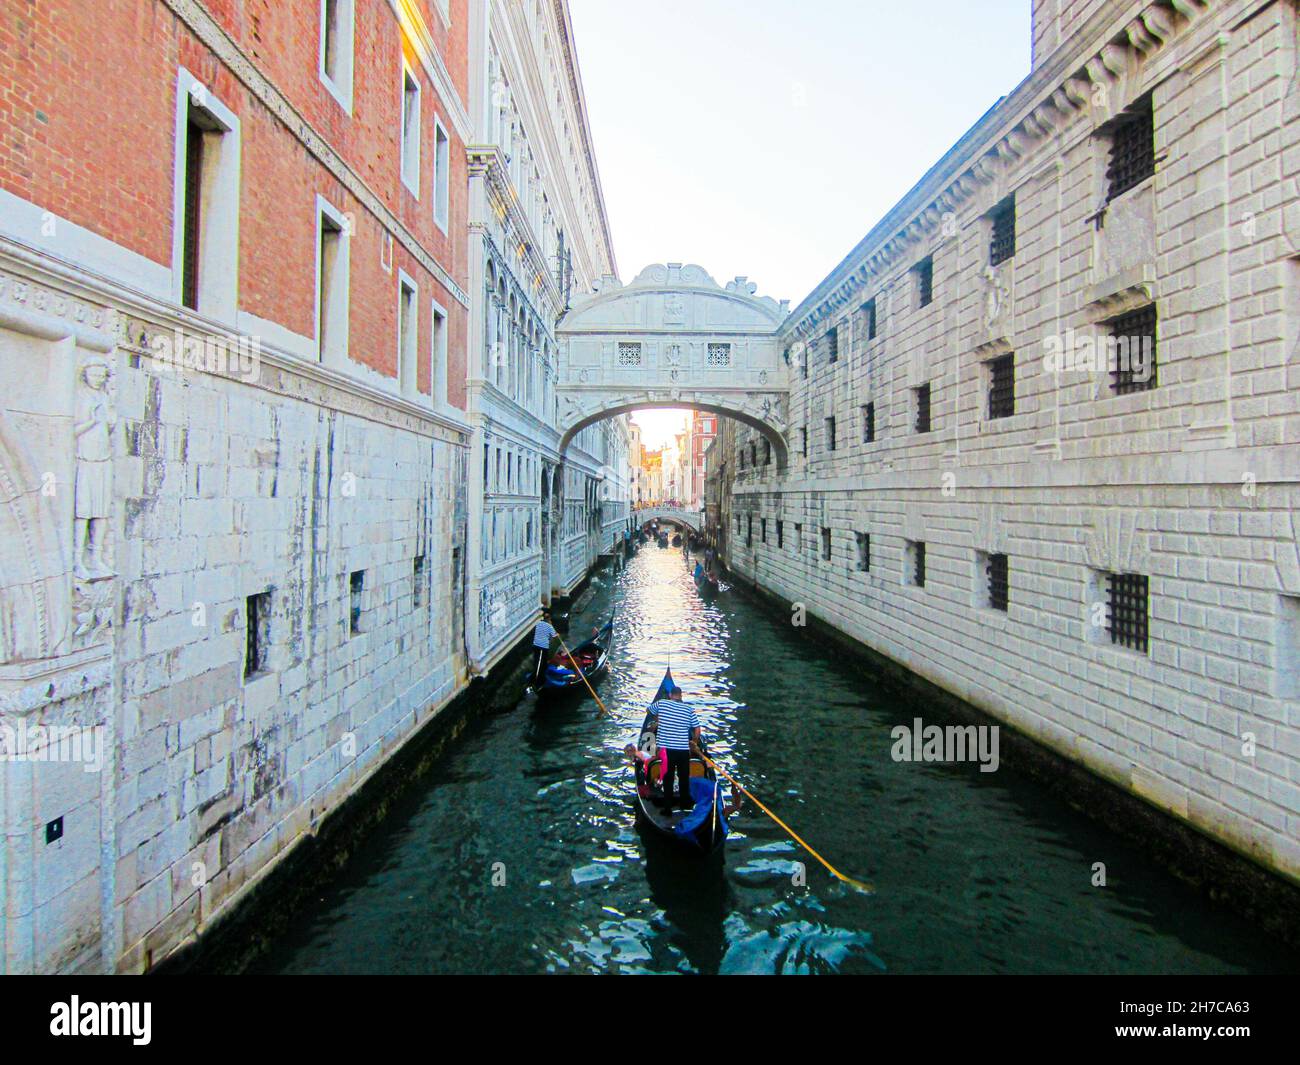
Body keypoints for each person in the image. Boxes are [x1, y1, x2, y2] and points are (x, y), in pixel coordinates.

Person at [652, 685, 700, 813]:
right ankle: (685, 805)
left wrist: (658, 720)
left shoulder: (661, 703)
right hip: (683, 750)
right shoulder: (689, 709)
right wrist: (694, 742)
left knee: (668, 779)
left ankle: (667, 809)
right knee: (684, 777)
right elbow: (697, 729)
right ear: (681, 696)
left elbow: (649, 711)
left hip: (667, 750)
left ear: (670, 695)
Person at [531, 609, 558, 684]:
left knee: (539, 661)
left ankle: (541, 677)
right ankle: (536, 680)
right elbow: (554, 636)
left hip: (536, 645)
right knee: (540, 663)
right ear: (549, 619)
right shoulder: (550, 626)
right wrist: (557, 634)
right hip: (543, 647)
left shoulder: (538, 623)